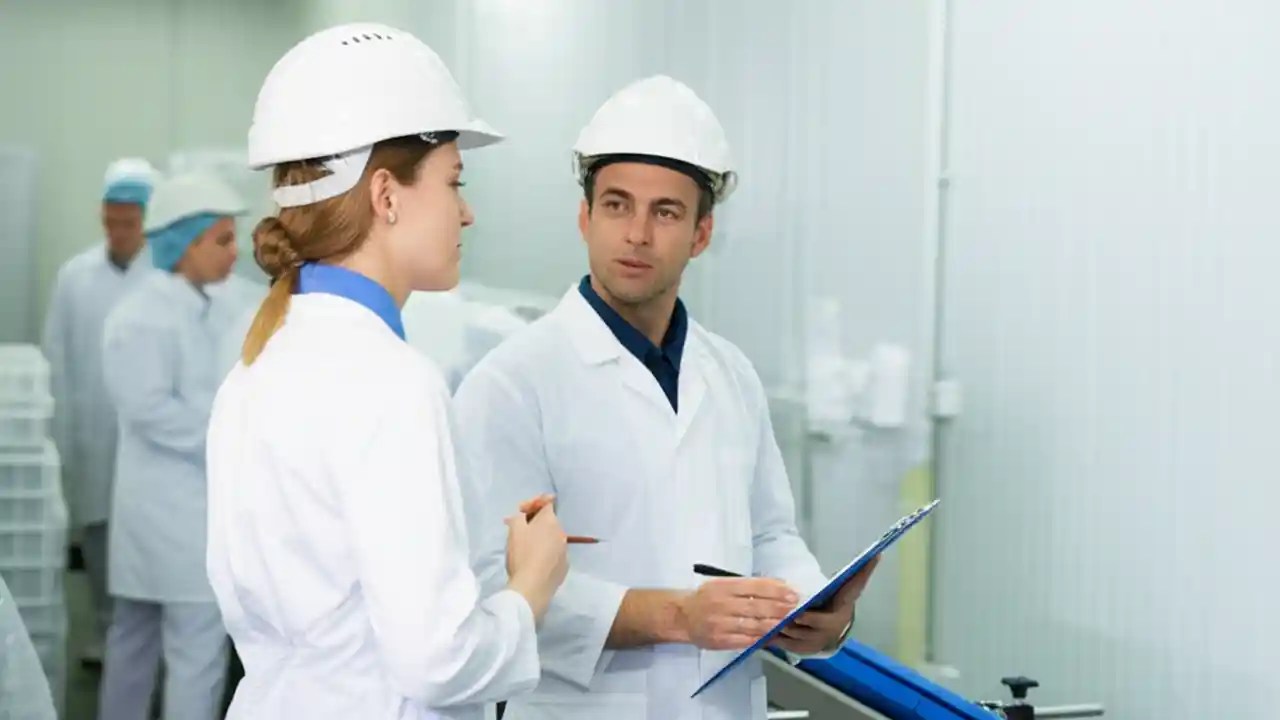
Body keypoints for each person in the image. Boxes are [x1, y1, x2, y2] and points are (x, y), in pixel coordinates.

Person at [452, 75, 878, 720]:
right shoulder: (512, 381)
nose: (637, 234)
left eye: (666, 212)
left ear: (701, 234)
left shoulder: (730, 373)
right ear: (584, 217)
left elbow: (769, 533)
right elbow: (489, 586)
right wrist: (677, 616)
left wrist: (816, 611)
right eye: (617, 205)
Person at [204, 22, 569, 720]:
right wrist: (532, 586)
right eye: (454, 181)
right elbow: (439, 662)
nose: (467, 211)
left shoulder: (258, 364)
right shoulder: (390, 381)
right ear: (386, 195)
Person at [98, 171, 248, 720]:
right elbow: (150, 411)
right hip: (175, 515)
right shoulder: (142, 317)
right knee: (192, 652)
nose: (235, 253)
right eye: (223, 241)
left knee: (135, 641)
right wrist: (230, 436)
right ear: (184, 245)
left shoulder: (195, 305)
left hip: (161, 514)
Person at [41, 156, 159, 668]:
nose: (118, 232)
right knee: (97, 536)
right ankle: (106, 628)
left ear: (147, 222)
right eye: (110, 221)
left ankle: (137, 637)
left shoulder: (164, 276)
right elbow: (56, 356)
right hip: (90, 431)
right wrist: (59, 435)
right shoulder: (75, 276)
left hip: (146, 436)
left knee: (142, 535)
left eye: (129, 223)